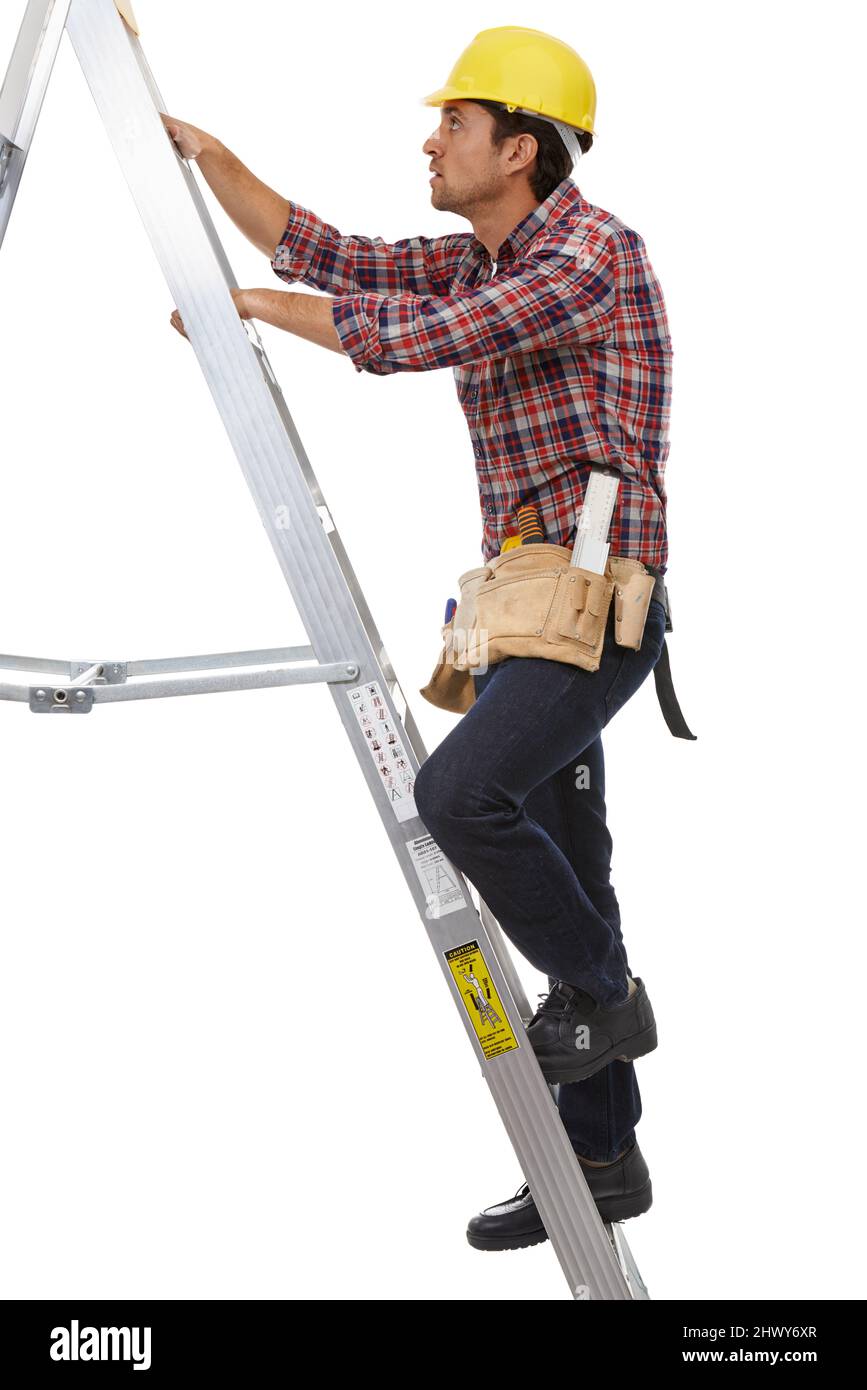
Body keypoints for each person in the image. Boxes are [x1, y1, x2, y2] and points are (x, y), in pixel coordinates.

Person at [161, 24, 675, 1252]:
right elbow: (339, 256)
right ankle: (603, 1159)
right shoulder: (483, 257)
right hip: (524, 607)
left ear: (523, 146)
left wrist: (243, 310)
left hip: (594, 614)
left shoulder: (590, 253)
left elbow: (416, 339)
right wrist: (207, 157)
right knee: (574, 871)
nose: (430, 141)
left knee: (461, 793)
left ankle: (607, 998)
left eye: (453, 123)